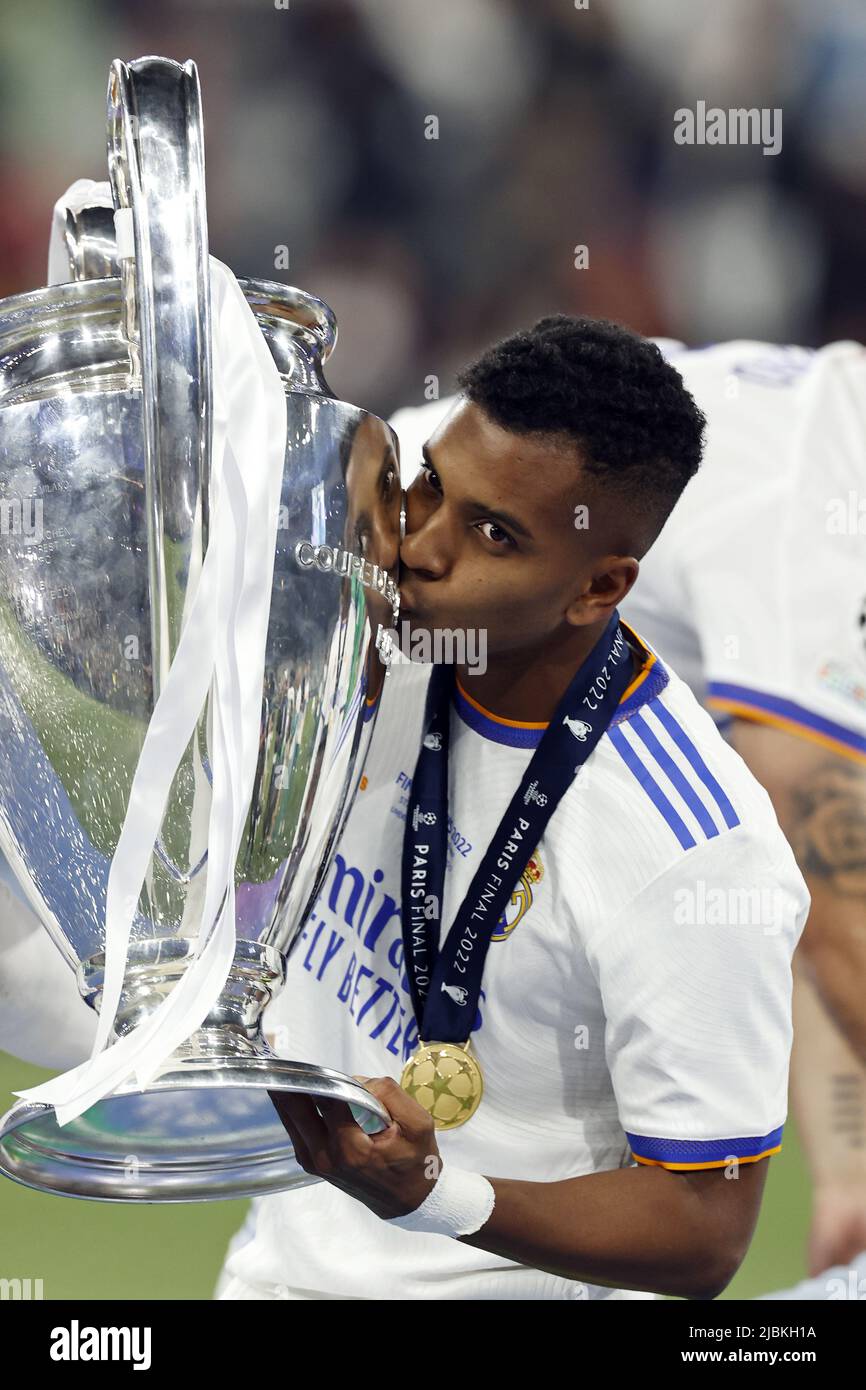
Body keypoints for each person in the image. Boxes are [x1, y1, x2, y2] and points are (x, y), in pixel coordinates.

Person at [214, 316, 808, 1301]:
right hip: (271, 1275)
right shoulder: (353, 664)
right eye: (433, 488)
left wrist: (437, 1194)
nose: (423, 549)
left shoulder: (693, 853)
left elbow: (704, 1232)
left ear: (598, 586)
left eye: (494, 534)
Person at [390, 334, 866, 1298]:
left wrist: (848, 1168)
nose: (425, 538)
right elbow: (836, 893)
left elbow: (794, 909)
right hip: (428, 625)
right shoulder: (817, 495)